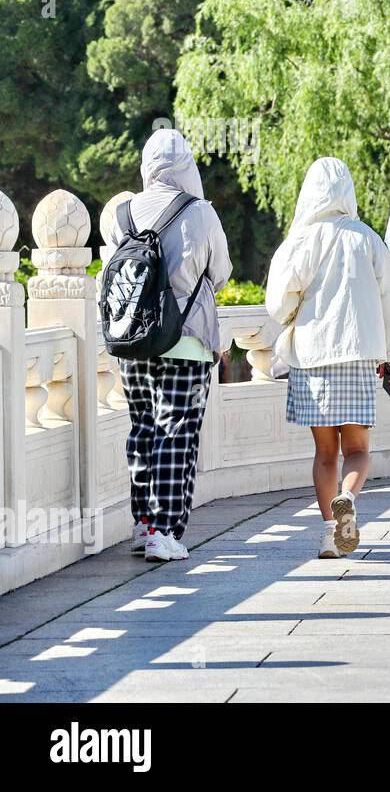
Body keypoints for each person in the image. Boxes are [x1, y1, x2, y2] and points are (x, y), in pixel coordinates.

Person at [266, 158, 390, 559]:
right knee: (358, 451)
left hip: (311, 358)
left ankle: (330, 533)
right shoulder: (368, 239)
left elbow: (278, 303)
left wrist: (298, 311)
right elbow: (389, 304)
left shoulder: (300, 241)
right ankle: (348, 496)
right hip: (358, 358)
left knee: (325, 454)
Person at [105, 129, 232, 563]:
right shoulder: (201, 213)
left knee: (143, 427)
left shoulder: (122, 214)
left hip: (134, 342)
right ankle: (165, 530)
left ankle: (143, 524)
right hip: (187, 341)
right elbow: (221, 272)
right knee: (176, 429)